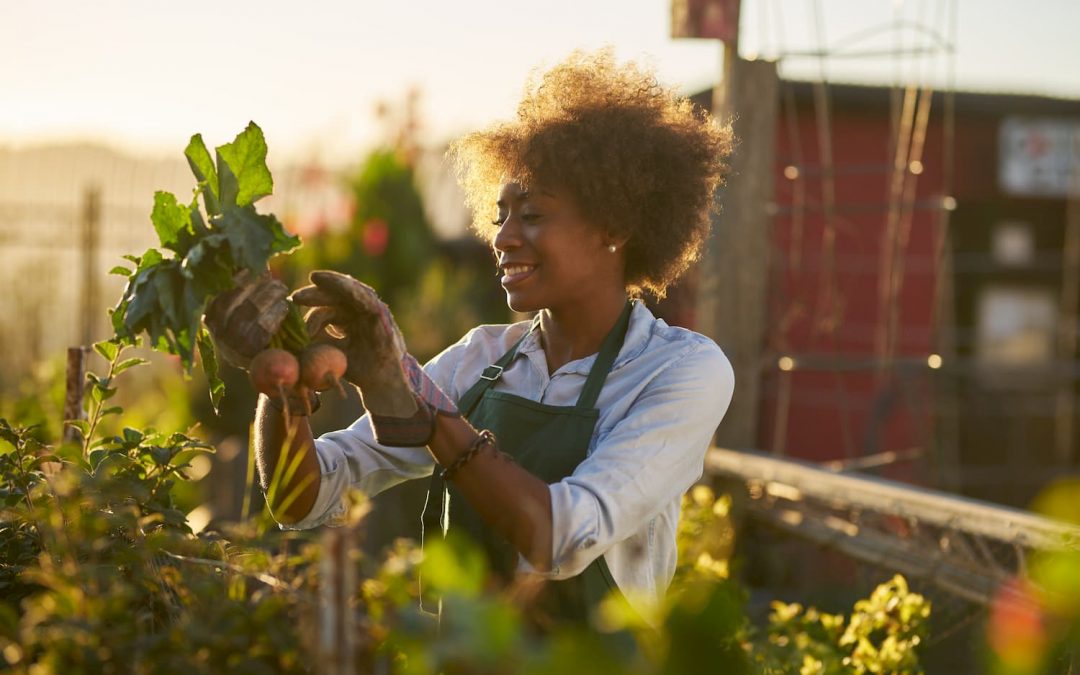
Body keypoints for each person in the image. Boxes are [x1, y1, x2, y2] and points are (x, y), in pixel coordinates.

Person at [207, 50, 735, 627]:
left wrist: (426, 410)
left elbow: (560, 536)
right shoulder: (484, 359)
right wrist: (281, 379)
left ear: (614, 226)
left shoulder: (679, 371)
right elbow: (301, 499)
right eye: (500, 214)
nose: (503, 238)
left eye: (531, 214)